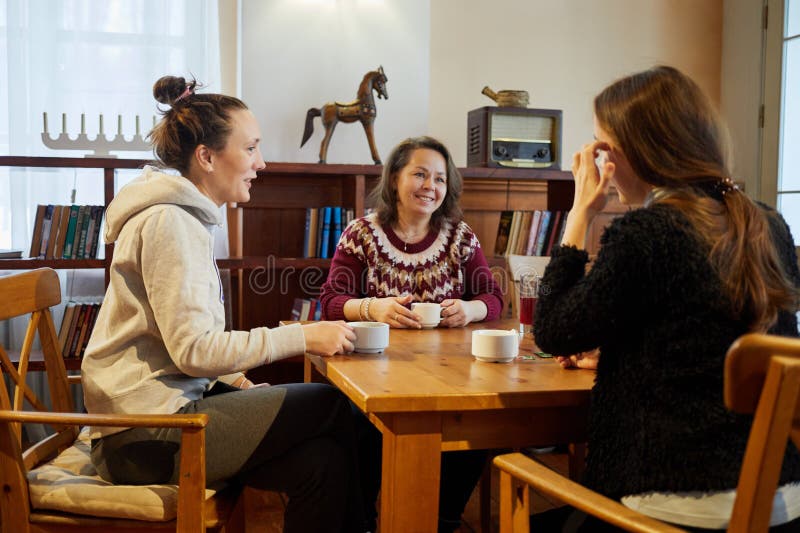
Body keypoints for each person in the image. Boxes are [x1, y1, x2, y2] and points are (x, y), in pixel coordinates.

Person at [81, 76, 371, 533]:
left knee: (323, 460)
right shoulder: (169, 223)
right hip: (145, 437)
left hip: (161, 421)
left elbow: (175, 341)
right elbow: (193, 350)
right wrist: (302, 335)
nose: (261, 162)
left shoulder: (183, 218)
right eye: (251, 148)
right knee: (332, 404)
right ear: (207, 157)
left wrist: (237, 382)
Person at [532, 65, 800, 532]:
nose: (600, 166)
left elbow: (552, 331)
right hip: (780, 502)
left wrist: (578, 215)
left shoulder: (648, 232)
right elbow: (714, 341)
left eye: (603, 148)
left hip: (672, 507)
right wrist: (633, 358)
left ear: (636, 152)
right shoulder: (768, 224)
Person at [320, 136, 504, 532]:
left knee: (474, 420)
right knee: (358, 421)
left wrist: (468, 309)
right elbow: (332, 300)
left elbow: (493, 297)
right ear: (394, 180)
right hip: (374, 368)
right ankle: (363, 519)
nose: (430, 186)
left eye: (439, 178)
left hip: (448, 370)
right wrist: (375, 308)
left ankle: (443, 519)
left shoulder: (460, 236)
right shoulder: (361, 233)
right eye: (419, 174)